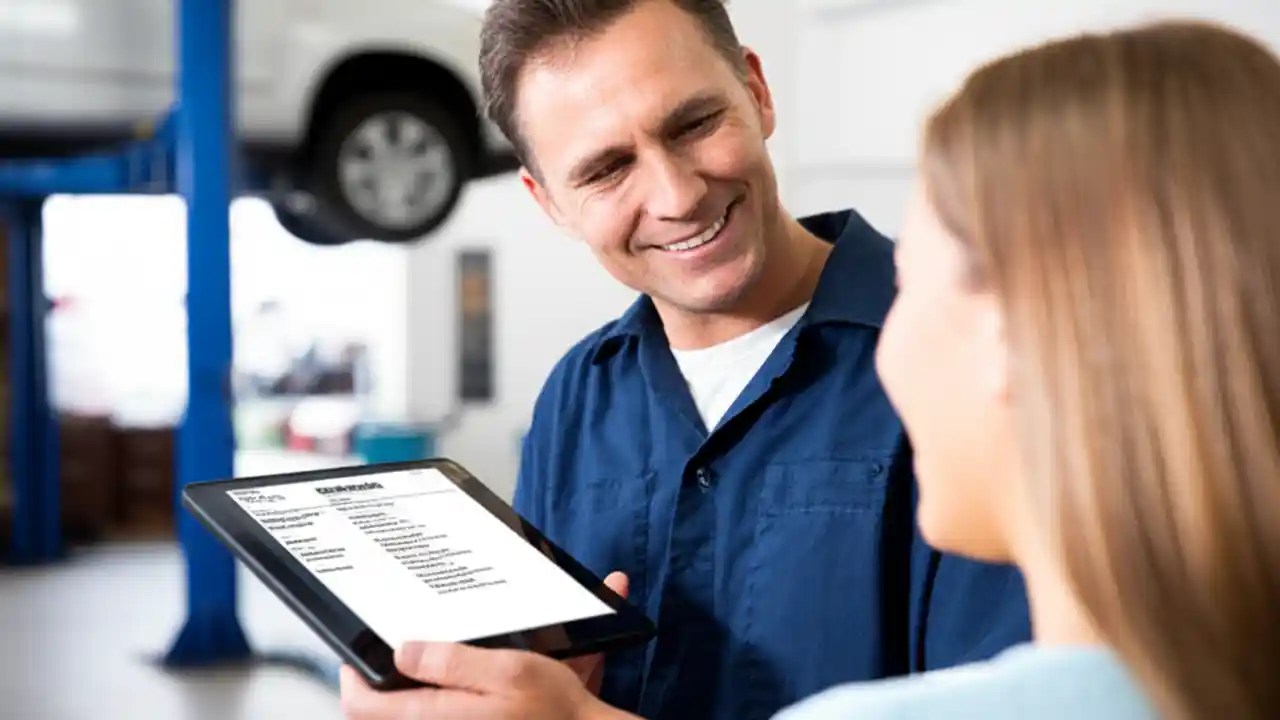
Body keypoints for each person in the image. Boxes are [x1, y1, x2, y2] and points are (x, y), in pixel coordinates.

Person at [340, 17, 1280, 720]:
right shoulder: (575, 400)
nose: (674, 194)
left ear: (757, 91)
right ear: (547, 201)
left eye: (695, 122)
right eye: (607, 170)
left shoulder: (981, 369)